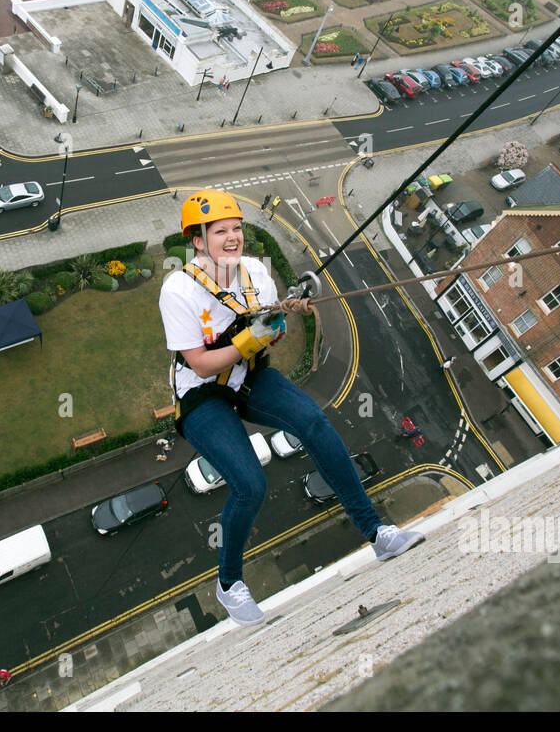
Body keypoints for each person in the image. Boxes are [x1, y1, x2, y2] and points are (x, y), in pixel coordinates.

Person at [159, 191, 424, 627]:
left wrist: (280, 322)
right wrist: (250, 339)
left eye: (236, 229)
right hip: (203, 394)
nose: (232, 238)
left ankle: (377, 533)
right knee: (250, 484)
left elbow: (270, 334)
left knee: (314, 422)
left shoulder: (257, 274)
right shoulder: (180, 289)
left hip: (251, 376)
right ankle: (228, 584)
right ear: (199, 241)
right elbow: (200, 363)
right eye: (220, 231)